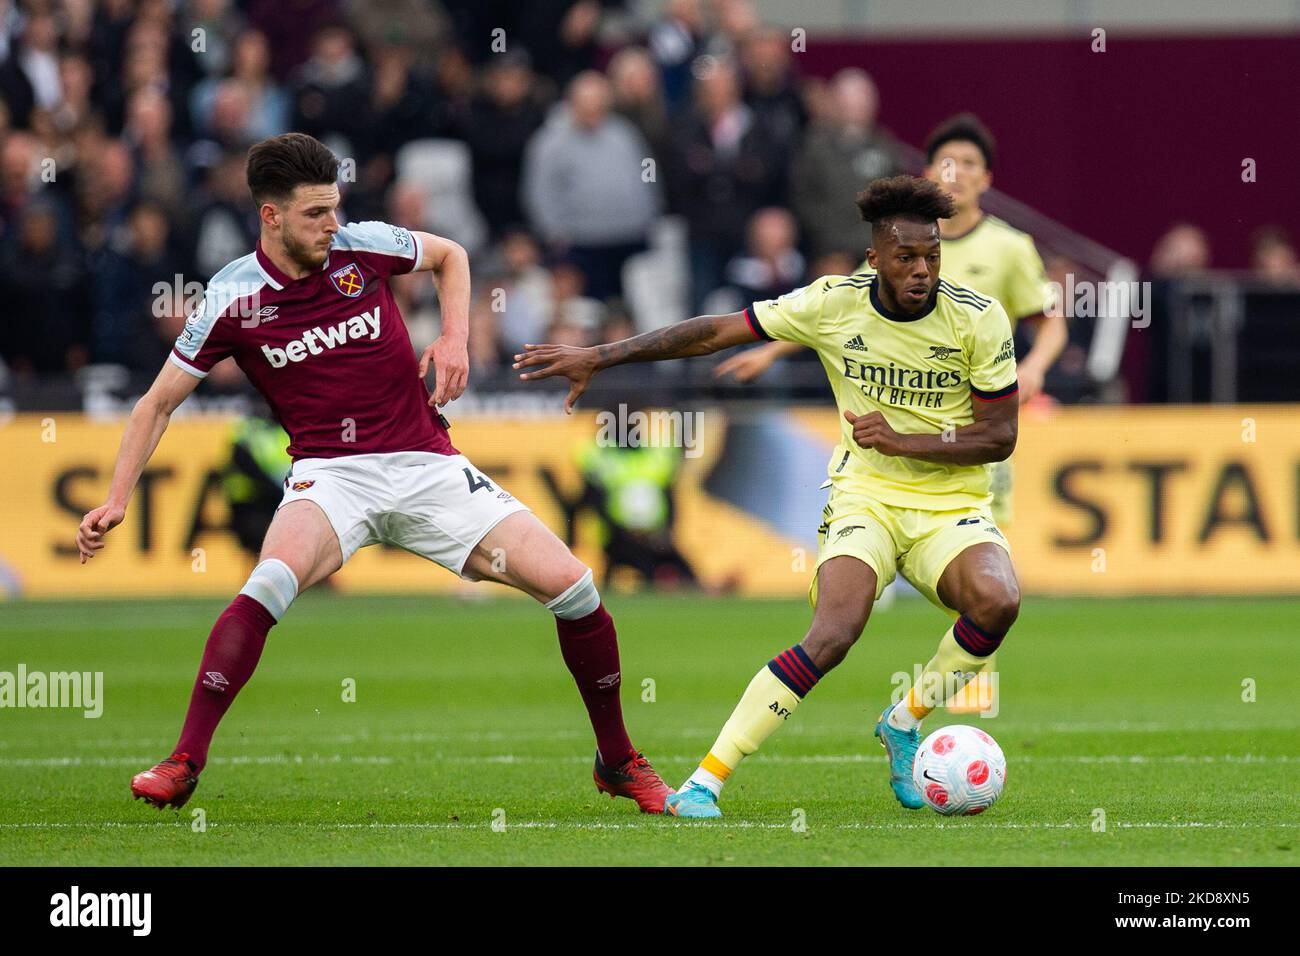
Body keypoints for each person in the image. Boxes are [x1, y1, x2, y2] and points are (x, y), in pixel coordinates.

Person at [76, 132, 672, 815]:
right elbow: (155, 405)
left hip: (425, 463)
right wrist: (116, 498)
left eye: (335, 208)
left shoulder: (362, 245)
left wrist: (451, 337)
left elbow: (451, 255)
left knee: (576, 590)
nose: (332, 224)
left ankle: (618, 759)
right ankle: (184, 760)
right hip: (330, 477)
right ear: (269, 217)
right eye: (314, 214)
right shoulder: (232, 297)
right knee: (269, 581)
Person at [516, 176, 1021, 817]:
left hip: (952, 506)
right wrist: (601, 354)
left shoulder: (977, 318)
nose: (921, 270)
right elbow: (713, 332)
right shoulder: (833, 304)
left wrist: (905, 440)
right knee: (834, 633)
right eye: (906, 258)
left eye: (932, 256)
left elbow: (1000, 436)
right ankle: (705, 782)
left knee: (999, 599)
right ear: (876, 260)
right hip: (864, 497)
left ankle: (903, 720)